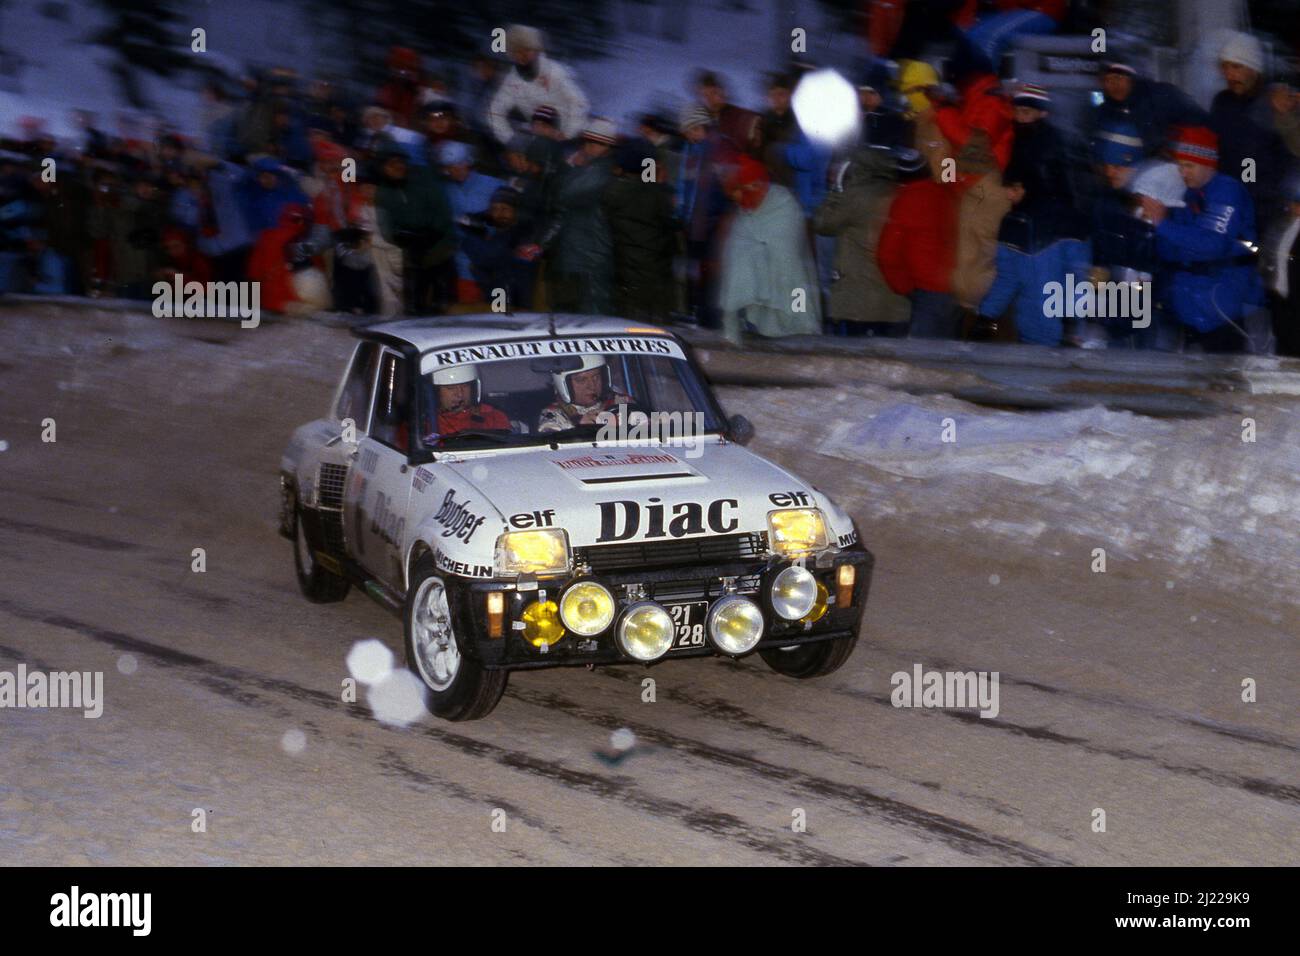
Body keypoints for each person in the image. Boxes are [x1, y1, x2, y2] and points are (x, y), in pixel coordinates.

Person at [1146, 126, 1264, 353]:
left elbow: (1212, 244)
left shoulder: (1227, 191)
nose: (1183, 172)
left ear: (1208, 164)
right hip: (1189, 302)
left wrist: (1163, 224)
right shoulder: (1185, 193)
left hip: (1223, 305)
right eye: (1180, 165)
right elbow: (1168, 249)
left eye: (1189, 165)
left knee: (1225, 374)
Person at [716, 155, 822, 343]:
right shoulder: (745, 210)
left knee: (795, 281)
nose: (736, 198)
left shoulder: (784, 204)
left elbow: (789, 253)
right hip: (761, 297)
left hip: (790, 279)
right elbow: (737, 250)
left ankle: (802, 325)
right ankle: (761, 326)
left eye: (739, 191)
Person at [813, 146, 911, 335]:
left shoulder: (854, 195)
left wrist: (836, 190)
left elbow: (822, 224)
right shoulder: (899, 192)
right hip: (895, 300)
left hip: (860, 301)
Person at [487, 25, 590, 143]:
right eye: (516, 51)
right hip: (541, 138)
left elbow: (579, 102)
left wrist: (568, 133)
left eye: (527, 49)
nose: (522, 55)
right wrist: (511, 139)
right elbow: (495, 111)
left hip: (569, 137)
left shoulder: (556, 71)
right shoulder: (512, 80)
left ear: (537, 50)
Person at [537, 355, 635, 433]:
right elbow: (551, 451)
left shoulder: (622, 402)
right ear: (563, 384)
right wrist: (580, 430)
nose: (592, 386)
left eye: (596, 377)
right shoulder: (553, 415)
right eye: (581, 380)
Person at [430, 365, 510, 436]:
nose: (460, 394)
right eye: (451, 388)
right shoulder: (427, 423)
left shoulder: (494, 416)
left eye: (465, 386)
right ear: (437, 392)